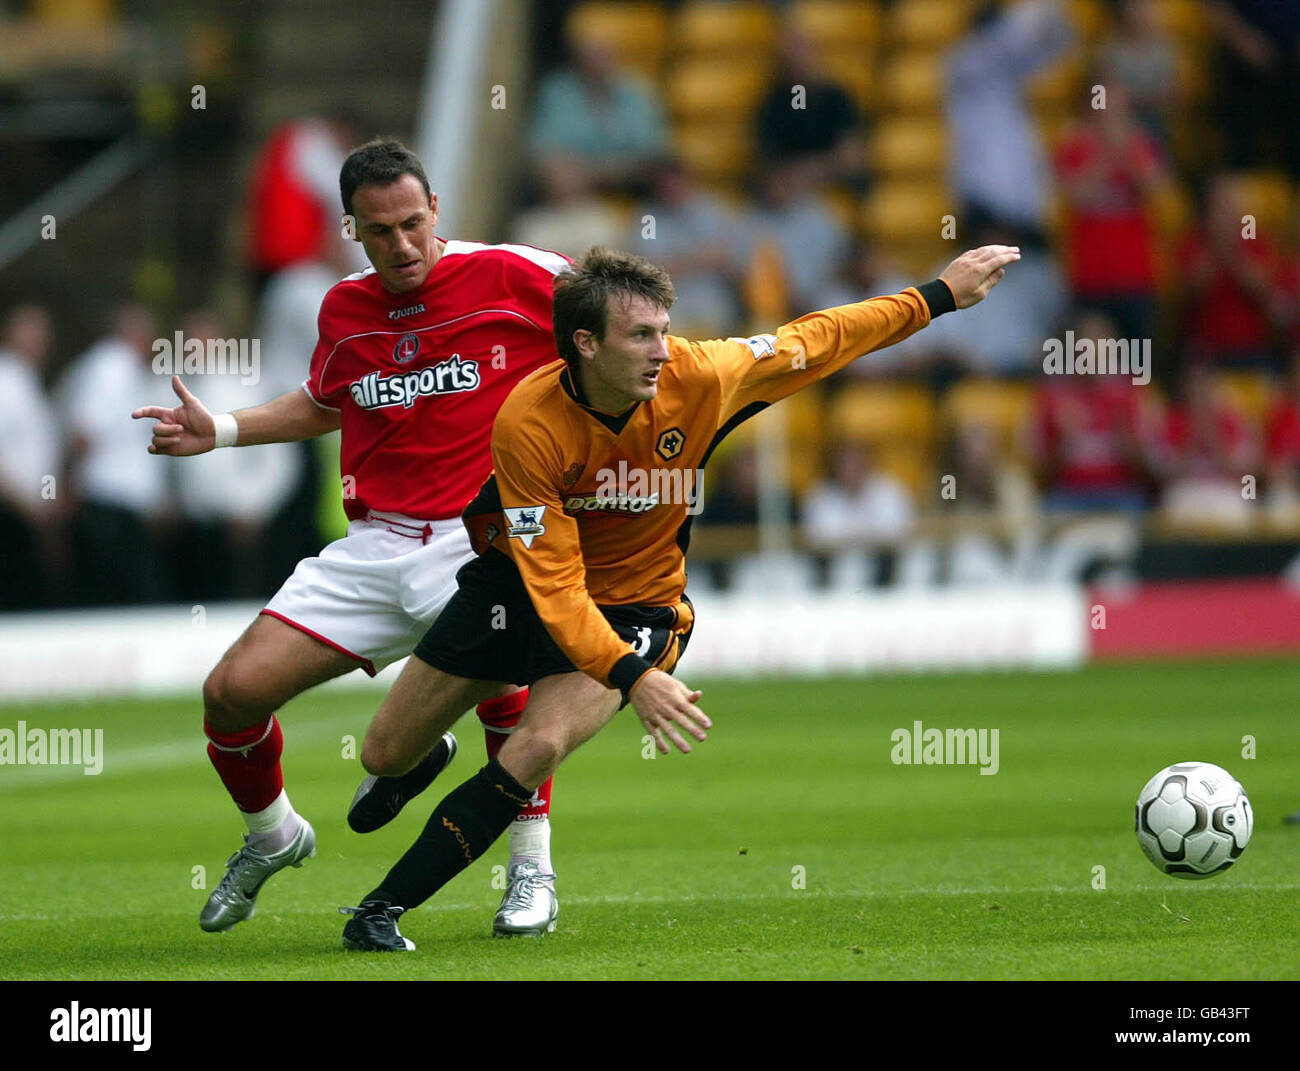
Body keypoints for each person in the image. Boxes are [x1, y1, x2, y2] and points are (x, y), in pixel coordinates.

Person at [337, 242, 1019, 951]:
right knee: (383, 752)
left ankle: (380, 909)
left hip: (636, 607)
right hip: (523, 584)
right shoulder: (527, 422)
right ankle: (415, 760)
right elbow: (557, 588)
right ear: (585, 342)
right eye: (641, 335)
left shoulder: (701, 376)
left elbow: (817, 341)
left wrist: (936, 294)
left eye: (665, 329)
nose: (663, 350)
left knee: (535, 743)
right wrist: (637, 682)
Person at [132, 139, 573, 938]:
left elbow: (620, 324)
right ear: (353, 231)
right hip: (372, 547)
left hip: (478, 537)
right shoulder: (343, 306)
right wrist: (222, 429)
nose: (402, 246)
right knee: (230, 694)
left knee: (503, 681)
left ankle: (531, 868)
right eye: (381, 232)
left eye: (413, 224)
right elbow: (325, 400)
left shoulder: (517, 272)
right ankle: (273, 835)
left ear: (437, 210)